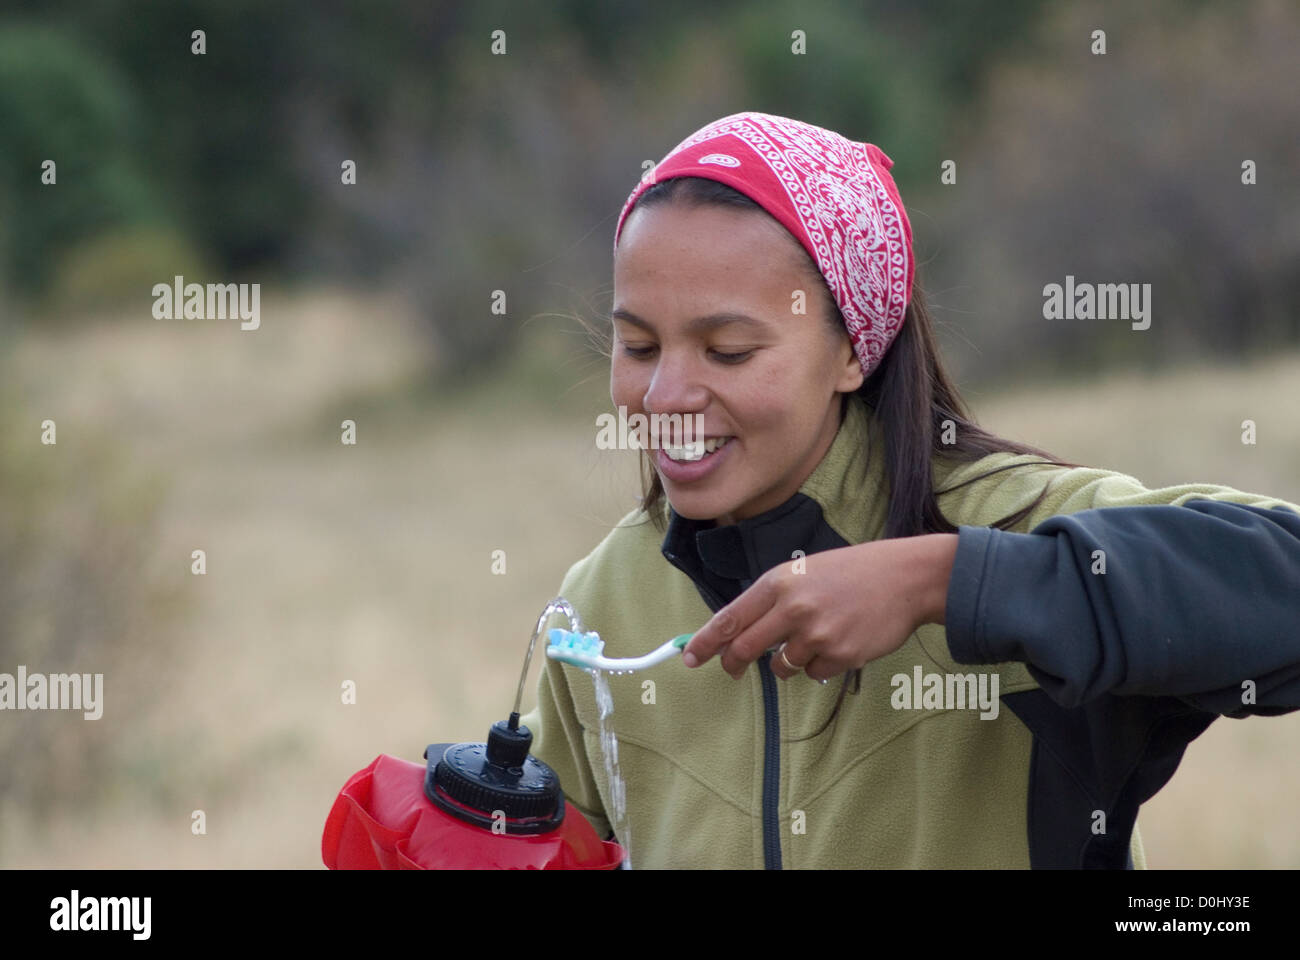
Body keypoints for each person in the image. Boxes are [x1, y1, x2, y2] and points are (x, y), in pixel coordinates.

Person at [519, 111, 1300, 869]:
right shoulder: (603, 602)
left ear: (854, 353)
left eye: (727, 350)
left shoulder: (1016, 521)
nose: (663, 397)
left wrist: (944, 579)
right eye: (640, 345)